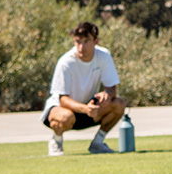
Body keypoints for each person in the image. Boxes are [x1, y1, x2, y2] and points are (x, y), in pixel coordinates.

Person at [41, 22, 125, 157]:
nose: (81, 47)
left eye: (86, 41)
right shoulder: (65, 62)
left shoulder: (104, 56)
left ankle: (97, 143)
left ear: (96, 41)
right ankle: (56, 141)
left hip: (90, 109)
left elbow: (112, 89)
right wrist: (85, 109)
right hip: (63, 110)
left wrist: (106, 94)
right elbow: (63, 100)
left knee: (118, 104)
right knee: (65, 116)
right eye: (78, 41)